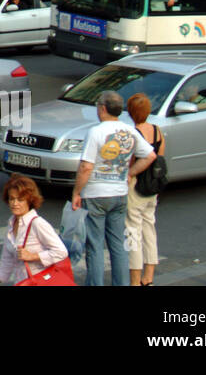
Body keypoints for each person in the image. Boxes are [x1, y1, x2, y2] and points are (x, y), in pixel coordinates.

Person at [71, 91, 156, 286]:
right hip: (119, 193)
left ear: (102, 108)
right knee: (118, 245)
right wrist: (129, 173)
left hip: (95, 194)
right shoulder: (129, 131)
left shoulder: (96, 132)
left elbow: (86, 167)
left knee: (95, 245)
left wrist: (76, 192)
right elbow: (150, 156)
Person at [0, 174, 69, 285]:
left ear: (29, 200)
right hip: (22, 282)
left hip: (41, 281)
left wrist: (33, 256)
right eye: (12, 199)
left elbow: (61, 252)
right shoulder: (12, 223)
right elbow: (7, 257)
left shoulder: (37, 224)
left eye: (20, 199)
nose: (15, 203)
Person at [126, 93, 165, 286]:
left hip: (136, 186)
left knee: (132, 231)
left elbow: (130, 160)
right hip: (152, 186)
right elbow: (160, 157)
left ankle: (134, 280)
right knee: (149, 228)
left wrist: (130, 174)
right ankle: (148, 277)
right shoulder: (157, 131)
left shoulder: (134, 134)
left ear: (131, 112)